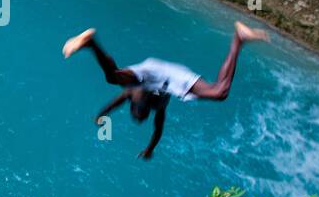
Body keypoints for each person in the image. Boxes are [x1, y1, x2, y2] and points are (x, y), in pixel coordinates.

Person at [62, 22, 270, 159]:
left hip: (156, 73)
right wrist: (150, 149)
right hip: (170, 80)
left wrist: (101, 115)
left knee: (113, 77)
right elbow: (157, 130)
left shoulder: (132, 94)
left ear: (134, 105)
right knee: (220, 92)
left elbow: (115, 103)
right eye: (144, 115)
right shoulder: (159, 108)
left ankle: (90, 43)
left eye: (139, 113)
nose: (143, 114)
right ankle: (239, 38)